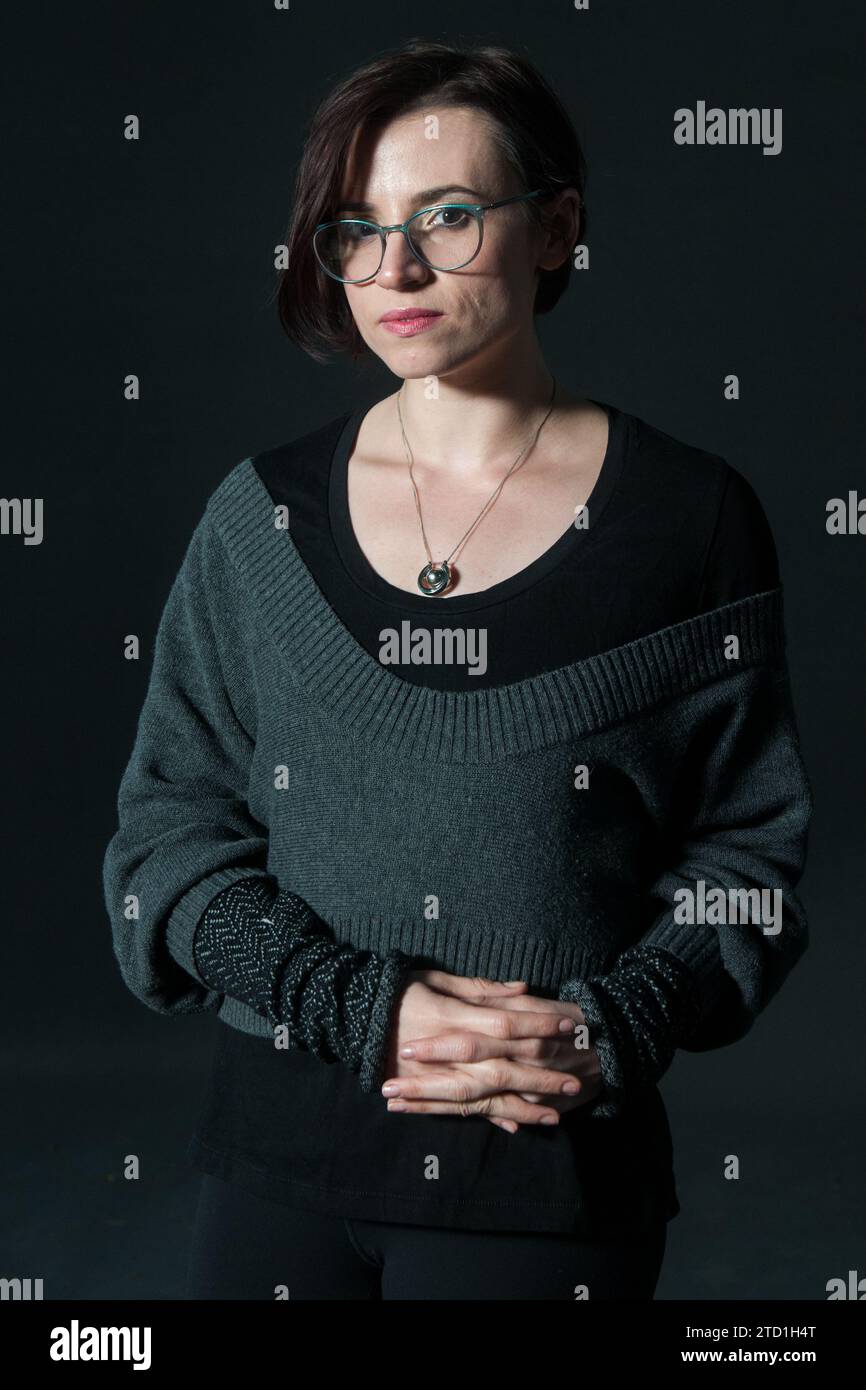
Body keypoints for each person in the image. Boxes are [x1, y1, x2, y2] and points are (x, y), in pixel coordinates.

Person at [102, 38, 813, 1301]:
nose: (397, 269)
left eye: (447, 216)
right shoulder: (257, 519)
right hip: (275, 1162)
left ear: (555, 228)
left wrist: (611, 1027)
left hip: (541, 1173)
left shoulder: (688, 518)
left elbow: (747, 860)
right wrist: (354, 1003)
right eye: (357, 229)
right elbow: (165, 838)